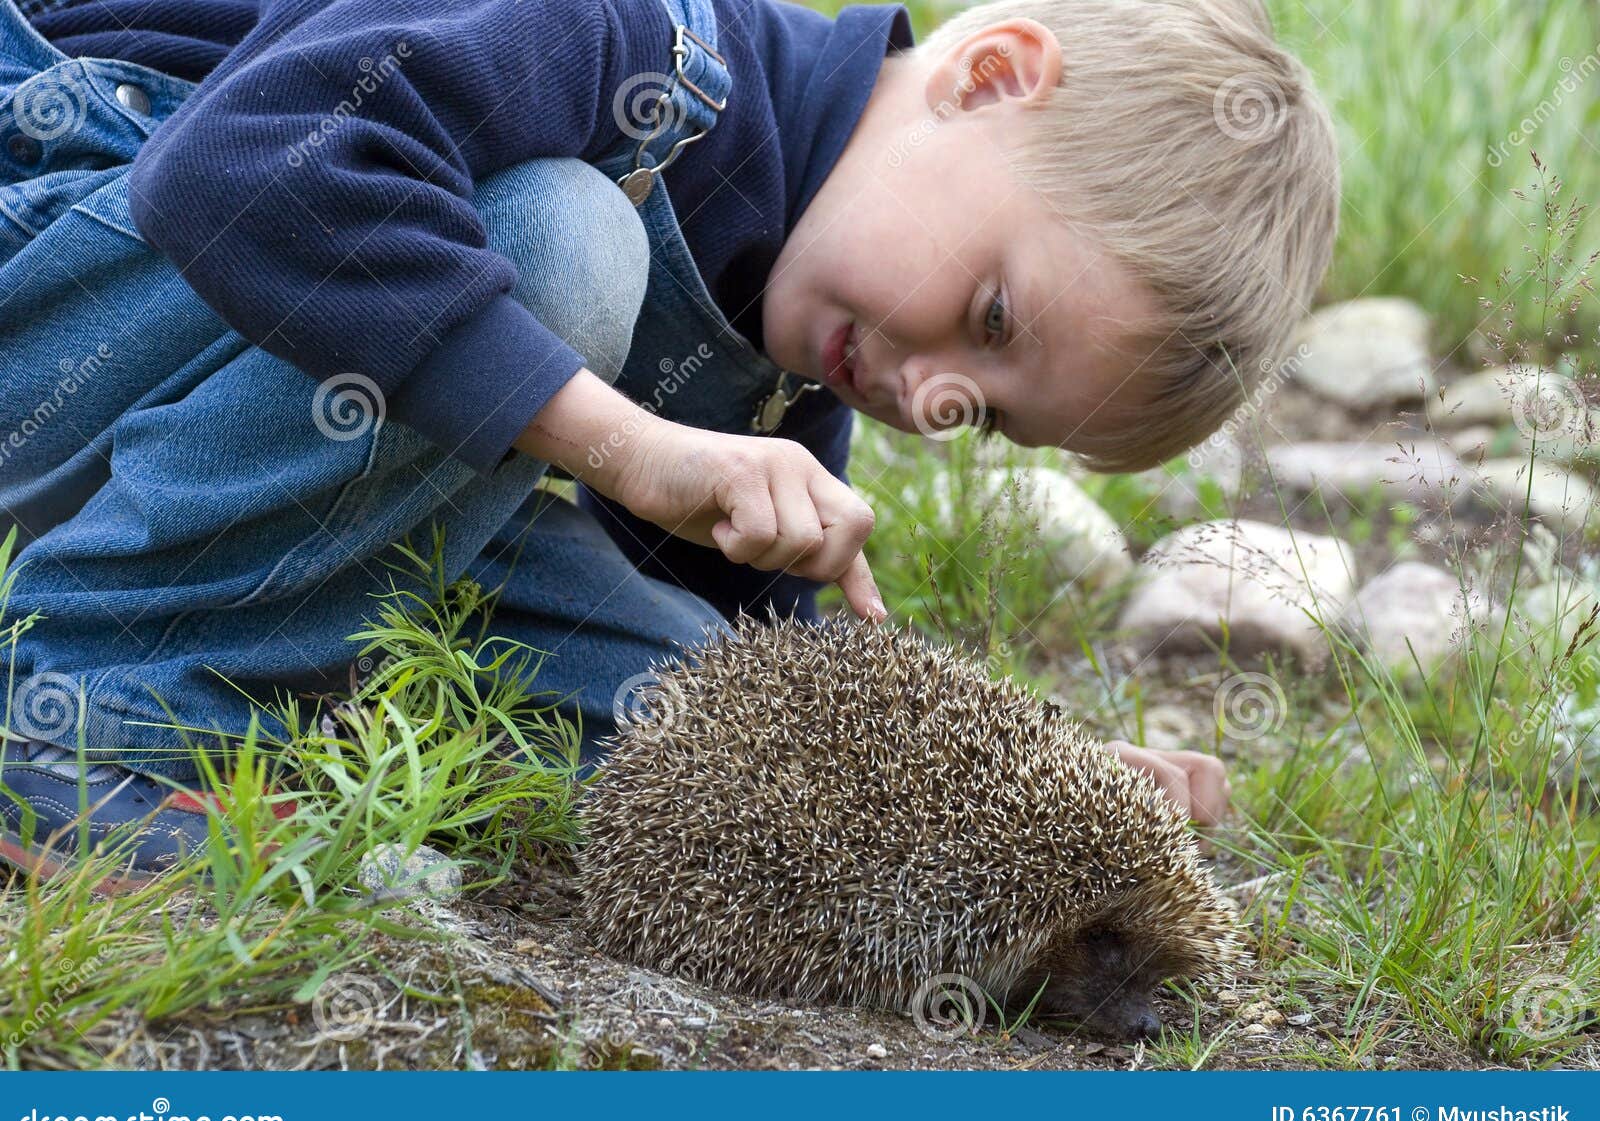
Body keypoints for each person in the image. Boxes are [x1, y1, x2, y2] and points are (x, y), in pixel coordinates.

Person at [0, 0, 1335, 888]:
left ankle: (184, 664)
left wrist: (1010, 774)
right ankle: (81, 713)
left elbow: (745, 622)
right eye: (991, 318)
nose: (930, 395)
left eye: (981, 410)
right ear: (988, 79)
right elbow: (246, 160)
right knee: (565, 241)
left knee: (697, 693)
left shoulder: (792, 336)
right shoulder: (630, 32)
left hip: (166, 457)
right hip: (57, 293)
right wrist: (630, 447)